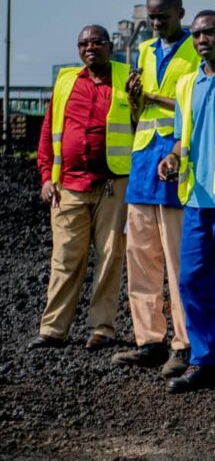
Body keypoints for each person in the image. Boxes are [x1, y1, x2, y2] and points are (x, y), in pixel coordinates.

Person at [157, 10, 215, 394]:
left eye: (209, 33)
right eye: (196, 34)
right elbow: (183, 136)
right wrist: (173, 157)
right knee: (193, 280)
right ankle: (203, 360)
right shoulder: (186, 84)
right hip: (196, 198)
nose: (201, 40)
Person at [112, 0, 200, 377]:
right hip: (144, 160)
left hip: (176, 160)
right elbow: (139, 107)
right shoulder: (145, 51)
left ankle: (183, 343)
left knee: (178, 260)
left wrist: (153, 97)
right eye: (151, 17)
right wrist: (135, 98)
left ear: (180, 13)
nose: (155, 23)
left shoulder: (196, 50)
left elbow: (196, 102)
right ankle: (148, 340)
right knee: (141, 258)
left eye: (162, 16)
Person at [30, 25, 132, 351]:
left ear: (110, 45)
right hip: (69, 185)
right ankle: (53, 329)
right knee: (64, 258)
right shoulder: (66, 81)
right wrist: (47, 176)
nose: (90, 47)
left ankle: (102, 329)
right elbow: (49, 131)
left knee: (109, 256)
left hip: (113, 184)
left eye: (96, 42)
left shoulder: (128, 78)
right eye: (83, 43)